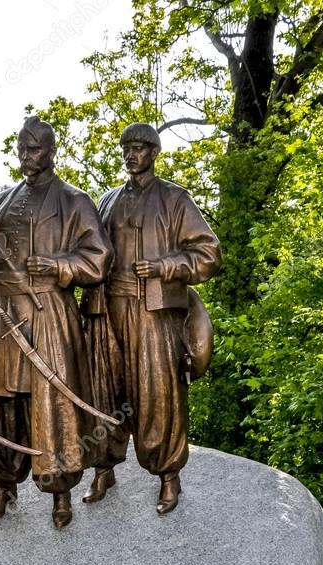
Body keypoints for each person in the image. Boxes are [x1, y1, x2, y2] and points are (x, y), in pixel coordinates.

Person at [0, 115, 113, 529]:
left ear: (52, 151)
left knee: (53, 404)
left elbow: (99, 259)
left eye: (33, 149)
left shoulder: (74, 200)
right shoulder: (2, 200)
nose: (25, 156)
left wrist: (56, 265)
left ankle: (60, 490)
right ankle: (4, 478)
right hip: (4, 313)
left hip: (49, 311)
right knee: (2, 402)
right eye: (20, 148)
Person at [83, 123, 221, 514]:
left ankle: (168, 475)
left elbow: (209, 254)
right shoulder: (107, 201)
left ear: (154, 152)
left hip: (153, 312)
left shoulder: (175, 199)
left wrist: (166, 265)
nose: (131, 154)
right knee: (104, 393)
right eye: (126, 147)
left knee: (158, 393)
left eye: (140, 147)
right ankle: (103, 466)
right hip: (106, 309)